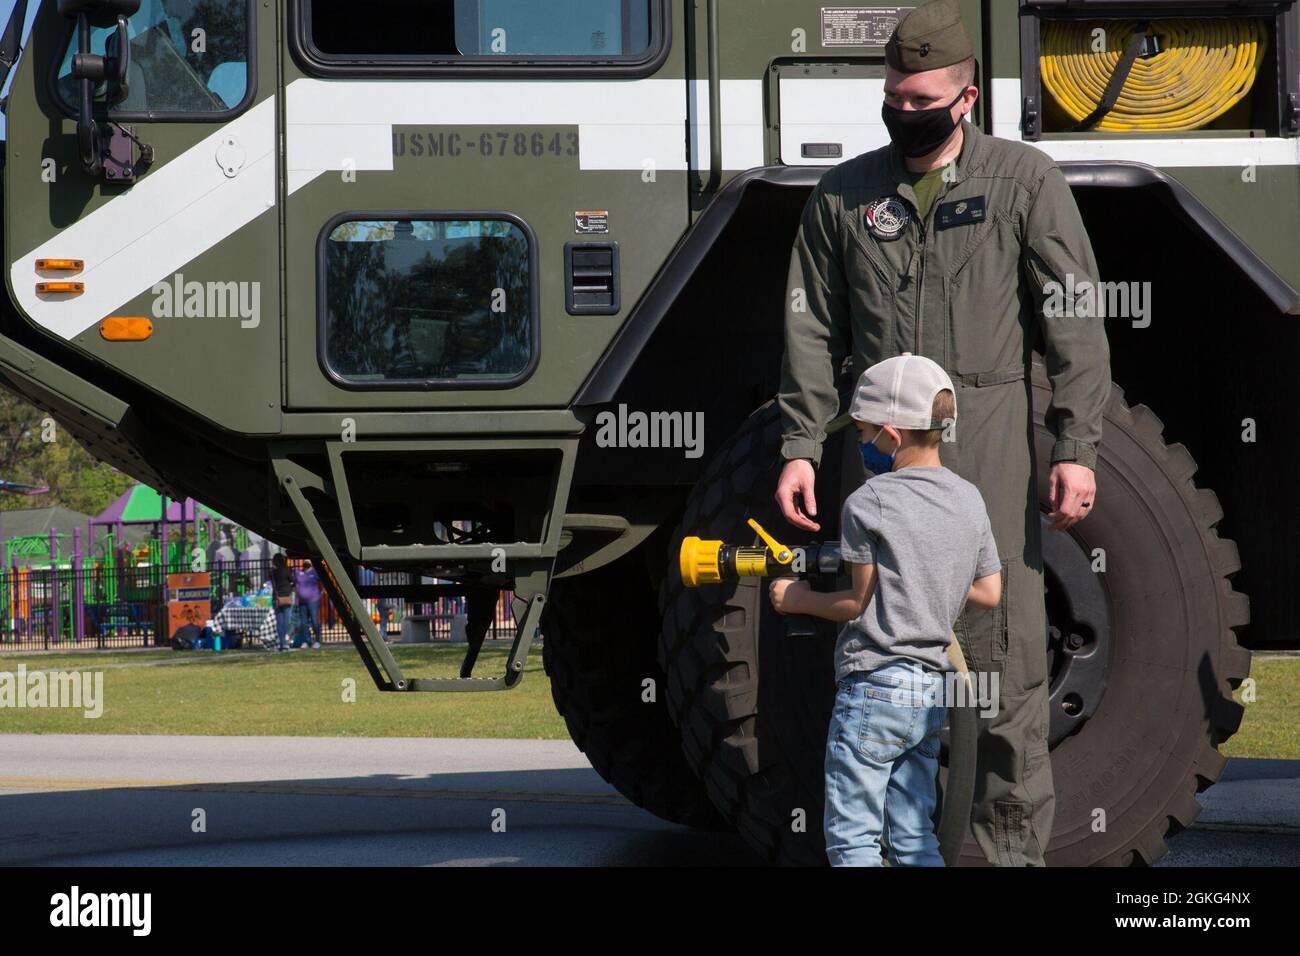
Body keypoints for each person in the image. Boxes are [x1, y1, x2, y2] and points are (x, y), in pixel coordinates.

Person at [774, 0, 1110, 865]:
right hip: (881, 459)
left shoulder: (1023, 183)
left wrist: (1076, 448)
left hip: (990, 445)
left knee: (1004, 658)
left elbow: (1073, 319)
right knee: (882, 654)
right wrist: (802, 447)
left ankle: (1006, 858)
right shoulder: (844, 196)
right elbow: (811, 327)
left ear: (964, 100)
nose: (904, 111)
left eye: (922, 99)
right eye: (894, 95)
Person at [771, 355, 1002, 866]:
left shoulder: (868, 500)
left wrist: (797, 599)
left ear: (891, 436)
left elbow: (857, 601)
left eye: (863, 431)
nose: (860, 442)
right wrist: (926, 582)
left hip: (874, 685)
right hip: (928, 692)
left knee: (852, 836)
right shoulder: (970, 500)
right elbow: (988, 592)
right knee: (914, 833)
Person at [268, 552, 296, 652]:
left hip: (277, 598)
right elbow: (294, 581)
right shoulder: (286, 571)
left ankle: (282, 643)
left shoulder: (273, 572)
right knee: (287, 621)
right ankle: (287, 642)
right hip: (286, 597)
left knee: (280, 623)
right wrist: (290, 587)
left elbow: (271, 580)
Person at [294, 558, 323, 649]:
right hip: (302, 602)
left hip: (313, 601)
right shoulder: (299, 573)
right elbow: (295, 584)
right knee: (304, 623)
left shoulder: (315, 572)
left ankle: (317, 640)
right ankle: (306, 641)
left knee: (314, 621)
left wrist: (321, 593)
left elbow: (323, 583)